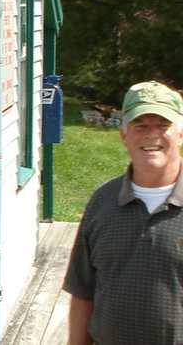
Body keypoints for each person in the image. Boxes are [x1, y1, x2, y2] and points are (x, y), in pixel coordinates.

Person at [64, 81, 183, 345]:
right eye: (140, 125)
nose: (151, 135)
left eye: (163, 126)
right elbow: (82, 291)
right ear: (123, 134)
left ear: (180, 134)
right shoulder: (102, 201)